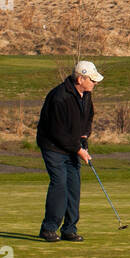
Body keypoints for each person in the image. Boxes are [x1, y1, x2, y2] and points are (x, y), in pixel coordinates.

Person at [35, 60, 102, 242]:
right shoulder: (59, 97)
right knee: (60, 185)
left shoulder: (85, 95)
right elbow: (58, 132)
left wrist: (83, 138)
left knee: (74, 186)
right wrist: (79, 150)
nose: (95, 83)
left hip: (72, 145)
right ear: (80, 79)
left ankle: (69, 229)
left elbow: (87, 118)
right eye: (92, 80)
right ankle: (49, 228)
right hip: (53, 146)